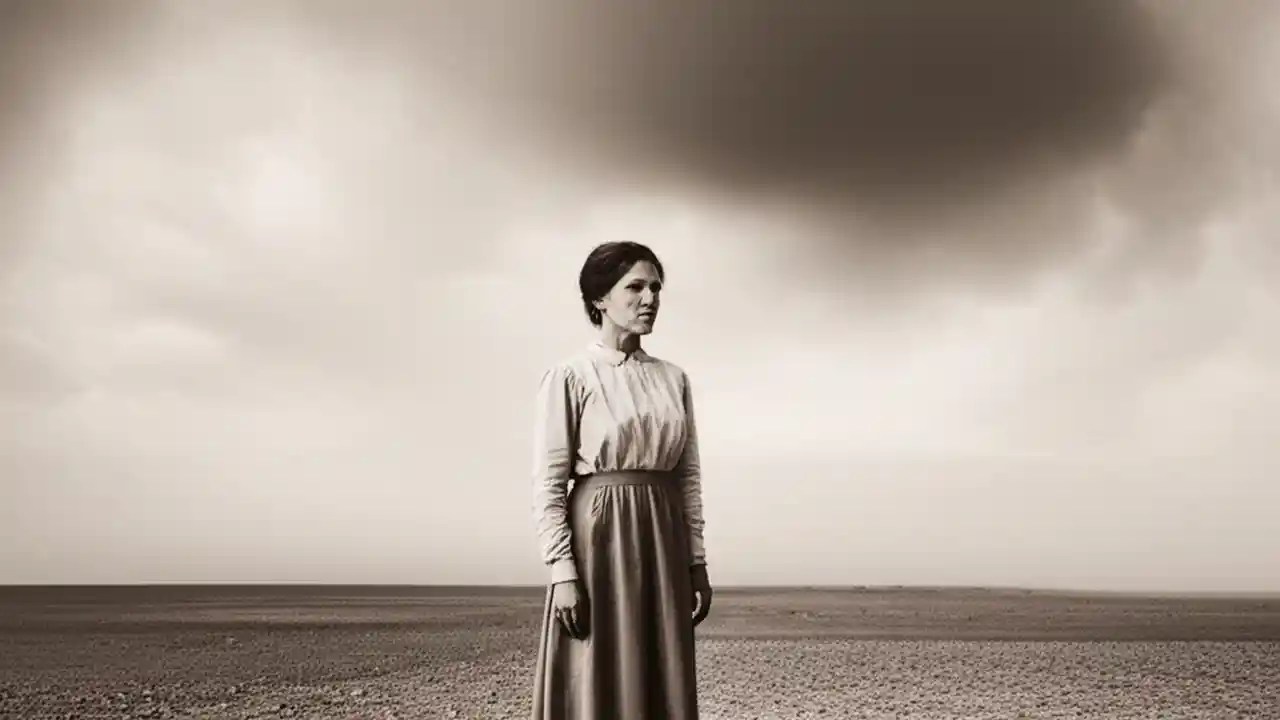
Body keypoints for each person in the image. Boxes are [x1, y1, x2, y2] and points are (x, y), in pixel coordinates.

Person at [530, 241, 712, 719]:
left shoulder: (674, 379)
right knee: (595, 672)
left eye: (656, 287)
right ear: (600, 300)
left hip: (663, 538)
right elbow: (548, 483)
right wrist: (562, 572)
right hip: (599, 542)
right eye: (635, 287)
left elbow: (688, 477)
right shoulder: (571, 376)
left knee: (660, 673)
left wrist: (696, 560)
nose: (650, 298)